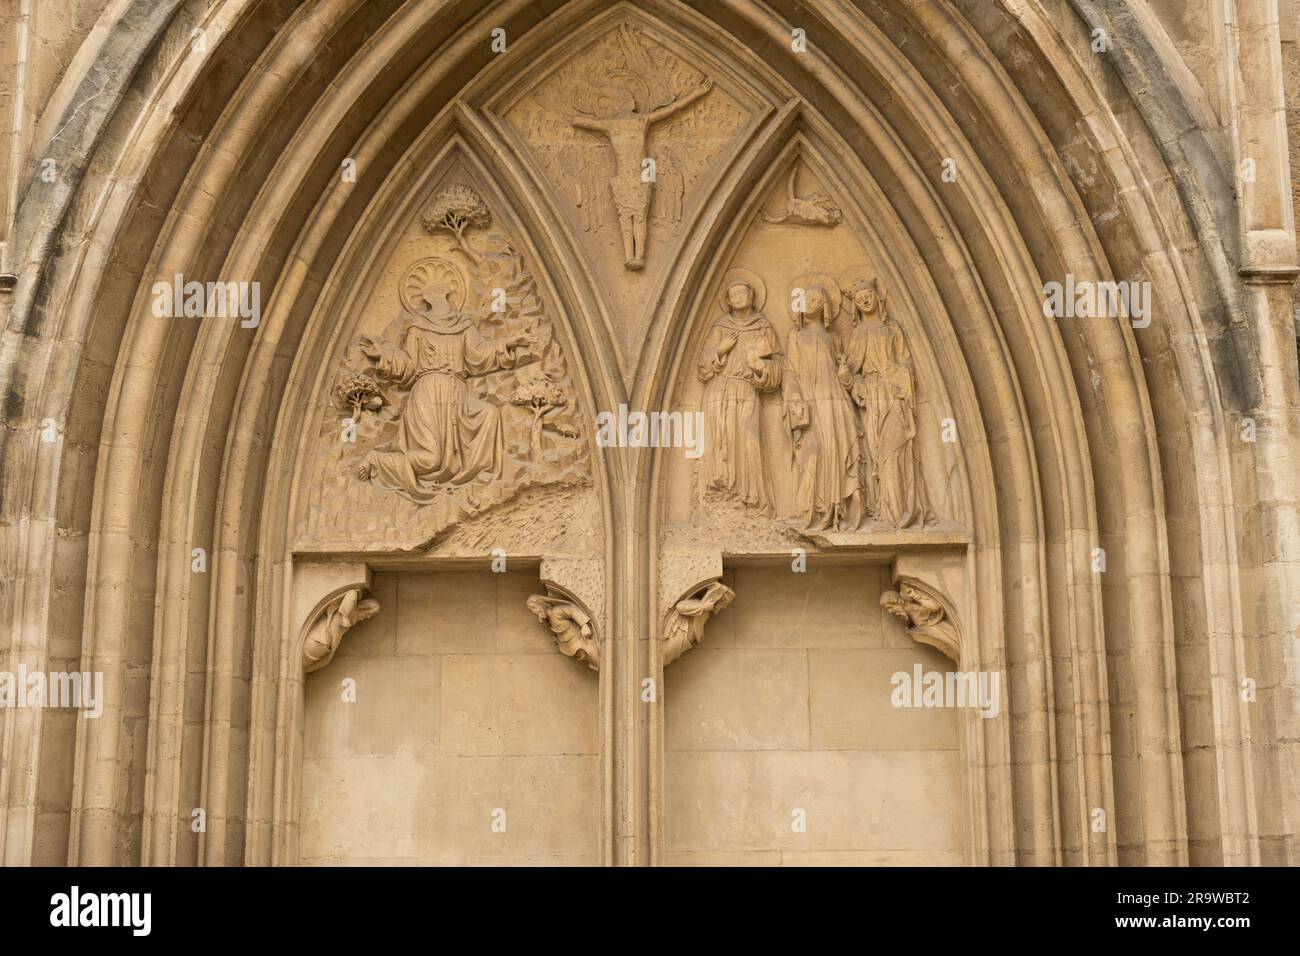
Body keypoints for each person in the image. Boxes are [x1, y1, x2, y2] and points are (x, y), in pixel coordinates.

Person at [697, 271, 782, 512]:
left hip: (746, 390)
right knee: (719, 441)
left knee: (748, 441)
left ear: (752, 296)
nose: (738, 297)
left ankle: (750, 498)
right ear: (728, 300)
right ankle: (719, 493)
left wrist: (760, 368)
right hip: (718, 390)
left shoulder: (763, 327)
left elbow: (779, 367)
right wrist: (721, 350)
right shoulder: (721, 326)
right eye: (733, 294)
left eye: (742, 292)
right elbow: (702, 365)